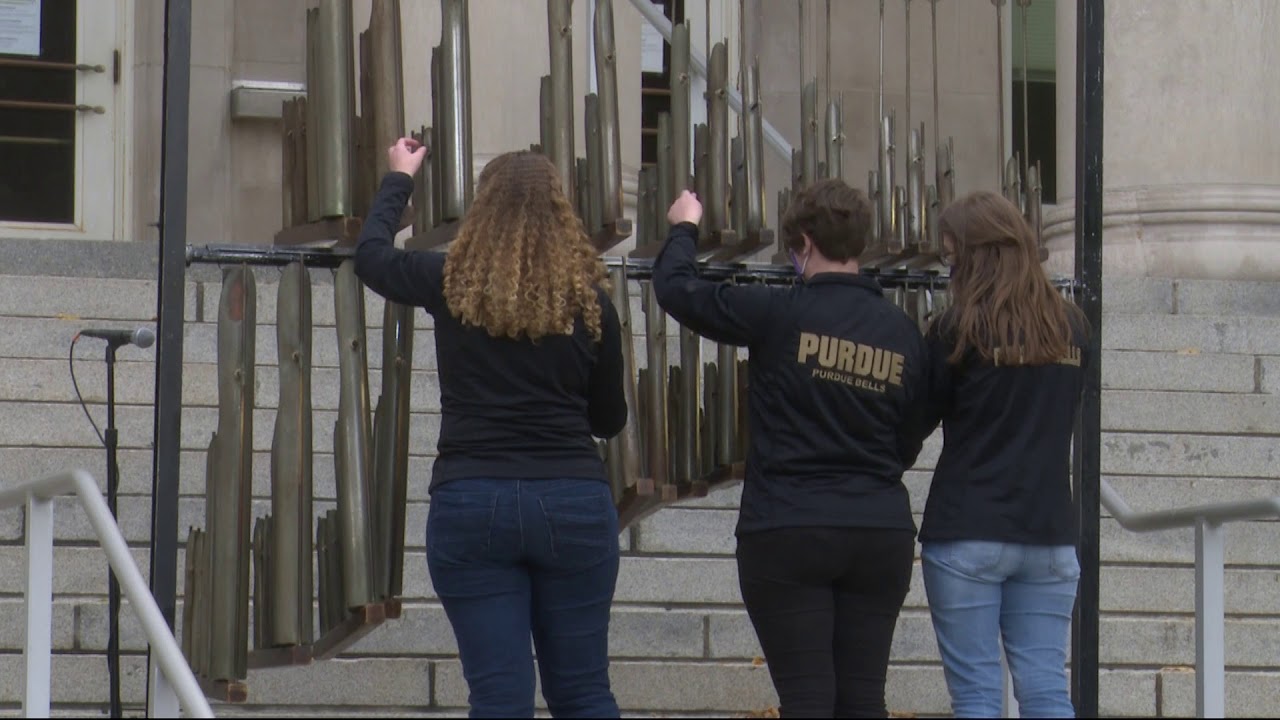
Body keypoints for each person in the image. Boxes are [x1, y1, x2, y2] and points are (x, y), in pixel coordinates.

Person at [354, 139, 627, 719]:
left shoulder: (449, 281)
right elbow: (610, 419)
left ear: (482, 213)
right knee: (584, 692)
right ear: (562, 215)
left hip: (472, 498)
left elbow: (372, 258)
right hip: (572, 498)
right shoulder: (594, 304)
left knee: (499, 697)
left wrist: (399, 178)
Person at [652, 182, 930, 718]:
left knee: (806, 699)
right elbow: (911, 432)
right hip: (877, 528)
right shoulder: (903, 332)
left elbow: (677, 289)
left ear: (804, 242)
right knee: (864, 698)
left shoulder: (777, 313)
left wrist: (684, 225)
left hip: (788, 525)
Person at [911, 191, 1089, 718]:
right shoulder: (1073, 328)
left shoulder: (955, 329)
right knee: (1045, 687)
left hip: (968, 528)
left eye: (951, 256)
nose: (949, 269)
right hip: (1051, 531)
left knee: (977, 694)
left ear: (973, 255)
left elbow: (917, 420)